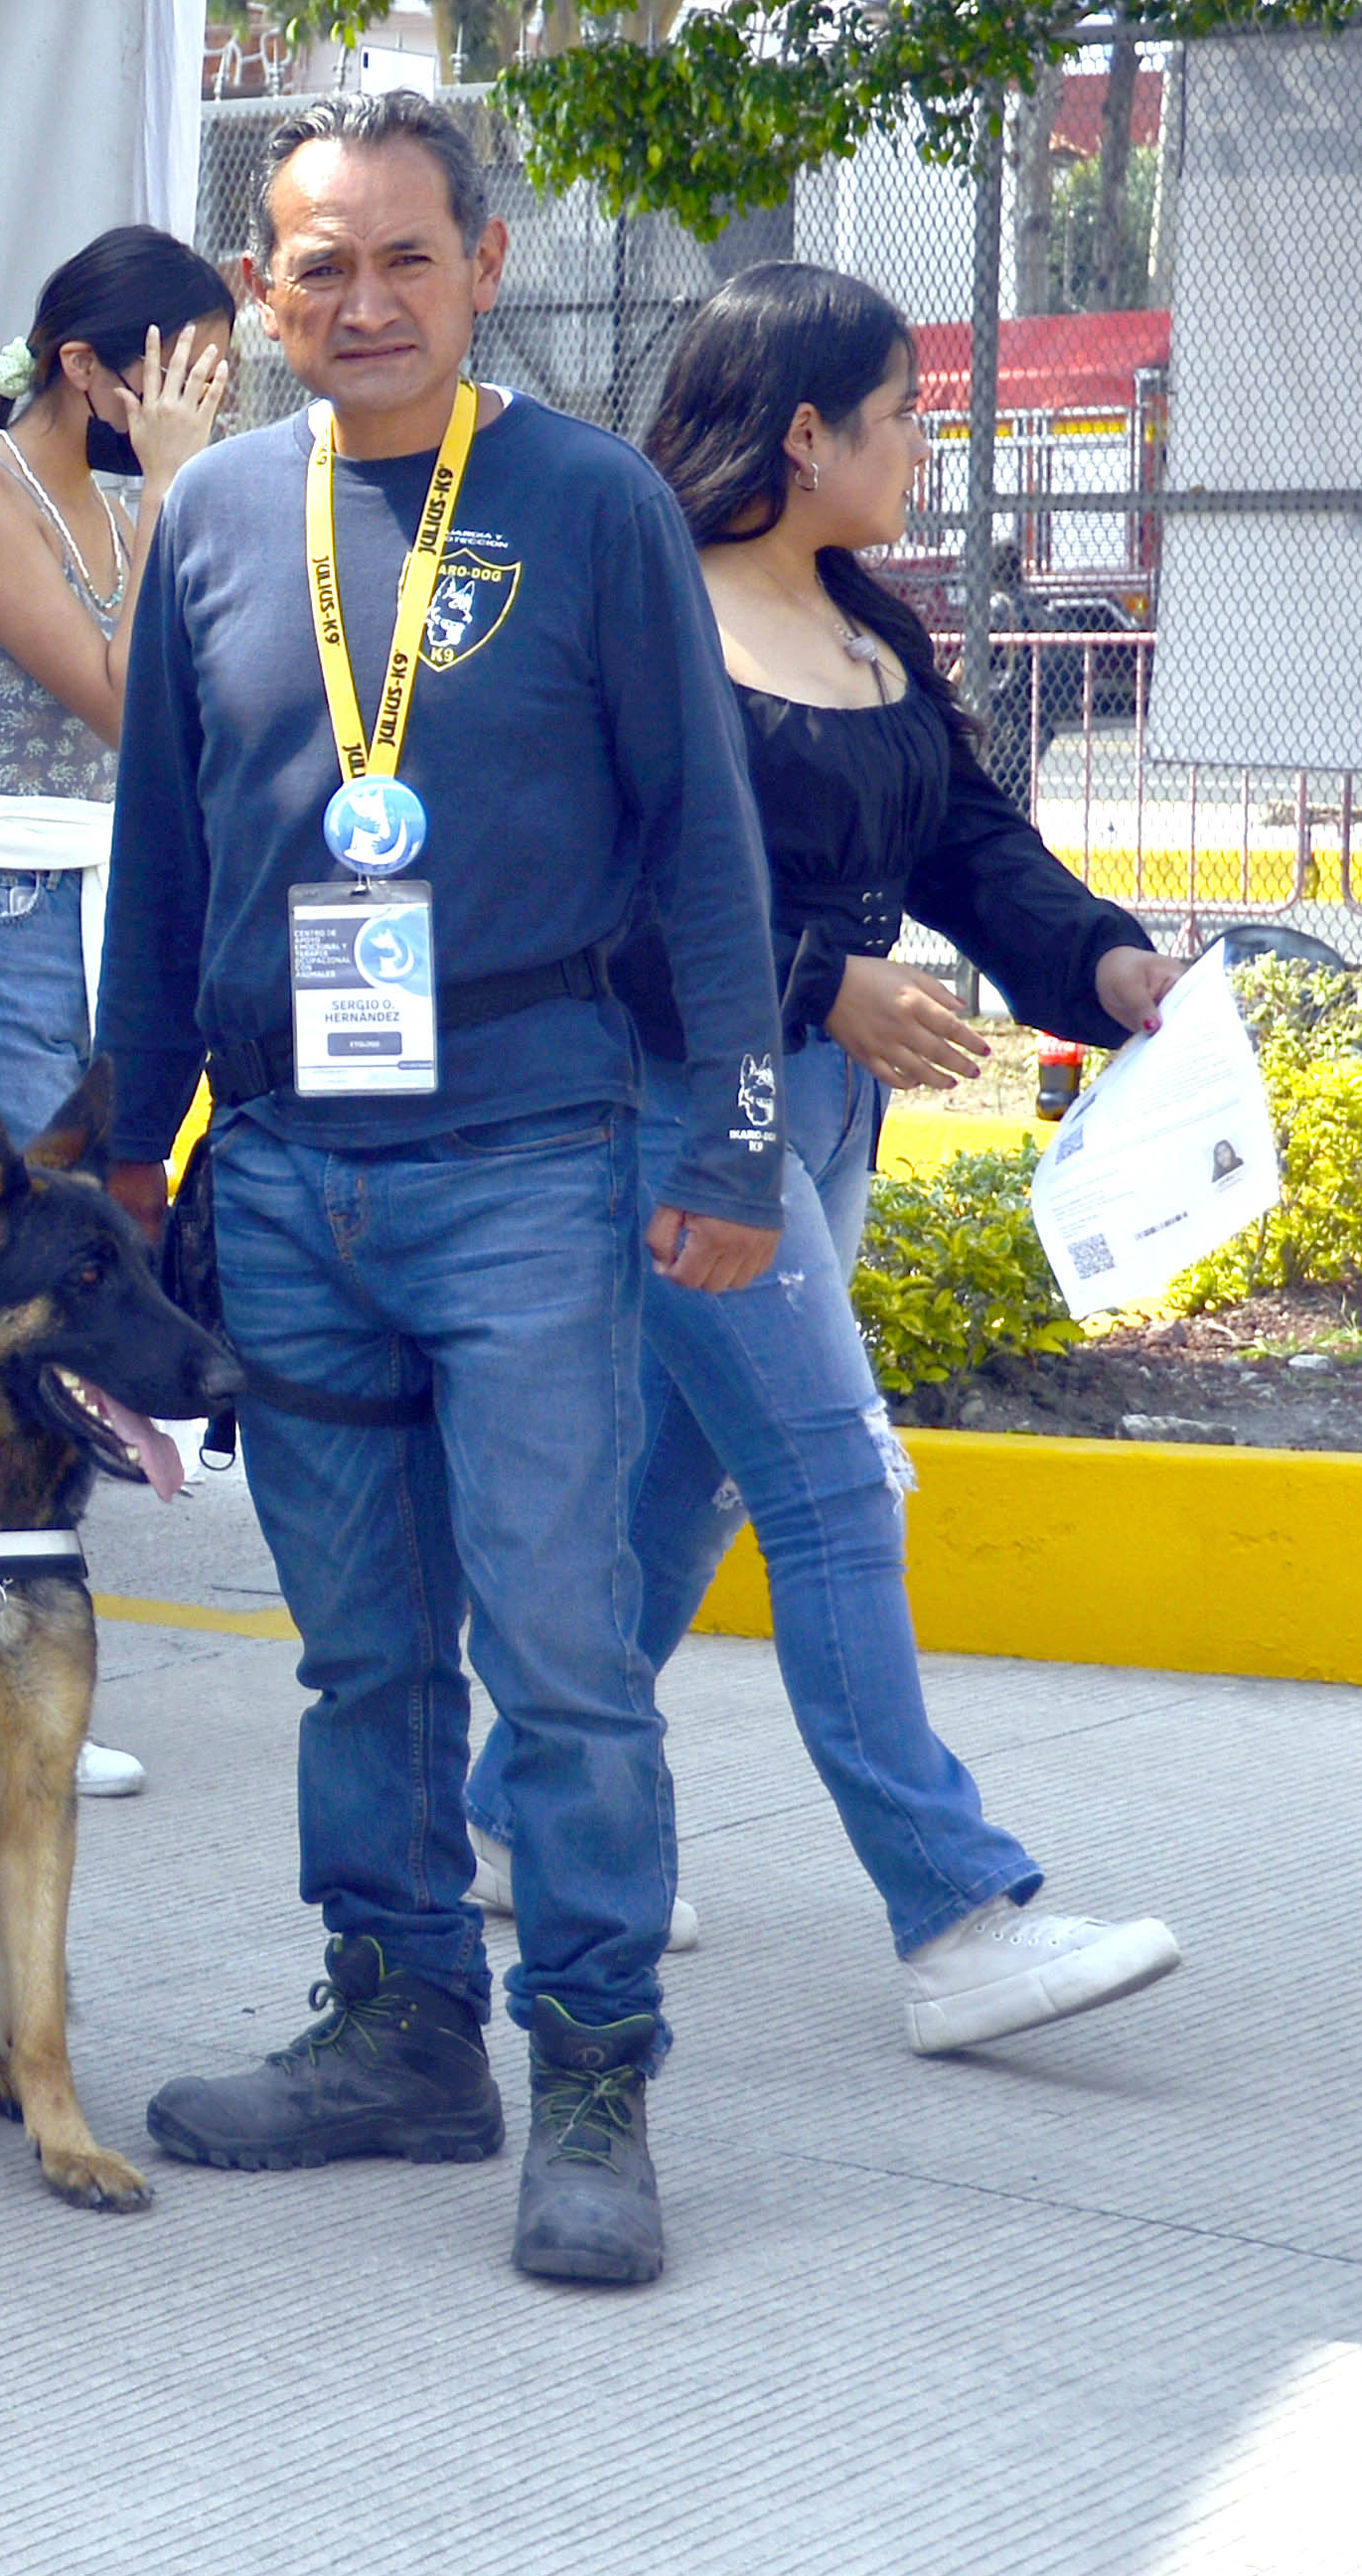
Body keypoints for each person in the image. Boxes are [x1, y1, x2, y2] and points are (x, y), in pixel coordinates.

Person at [98, 89, 785, 2288]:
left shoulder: (587, 508)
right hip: (290, 1168)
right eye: (320, 264)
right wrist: (130, 1146)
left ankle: (594, 2071)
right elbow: (164, 860)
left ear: (485, 266)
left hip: (529, 1152)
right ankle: (400, 2026)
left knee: (562, 1647)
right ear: (260, 290)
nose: (365, 300)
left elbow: (703, 847)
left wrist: (733, 1139)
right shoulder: (211, 517)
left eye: (406, 257)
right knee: (359, 1646)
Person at [462, 262, 1186, 2054]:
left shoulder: (875, 631)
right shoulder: (646, 616)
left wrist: (1107, 962)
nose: (925, 450)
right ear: (804, 433)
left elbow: (973, 842)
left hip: (825, 1108)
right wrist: (819, 982)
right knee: (839, 1483)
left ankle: (510, 1803)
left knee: (694, 1481)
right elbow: (587, 902)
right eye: (901, 418)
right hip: (681, 1102)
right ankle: (958, 1917)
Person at [0, 224, 236, 1805]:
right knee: (13, 1307)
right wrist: (174, 486)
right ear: (91, 371)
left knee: (57, 1305)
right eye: (186, 374)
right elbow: (125, 692)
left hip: (84, 914)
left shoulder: (134, 490)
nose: (209, 405)